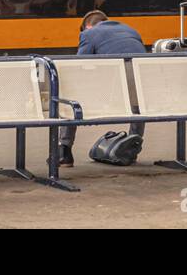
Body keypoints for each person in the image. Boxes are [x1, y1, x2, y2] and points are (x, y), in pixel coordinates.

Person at [55, 11, 147, 167]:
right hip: (142, 92)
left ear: (88, 27)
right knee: (136, 96)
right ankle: (132, 146)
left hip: (110, 93)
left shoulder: (89, 34)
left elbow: (79, 67)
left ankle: (64, 151)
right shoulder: (132, 31)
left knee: (70, 95)